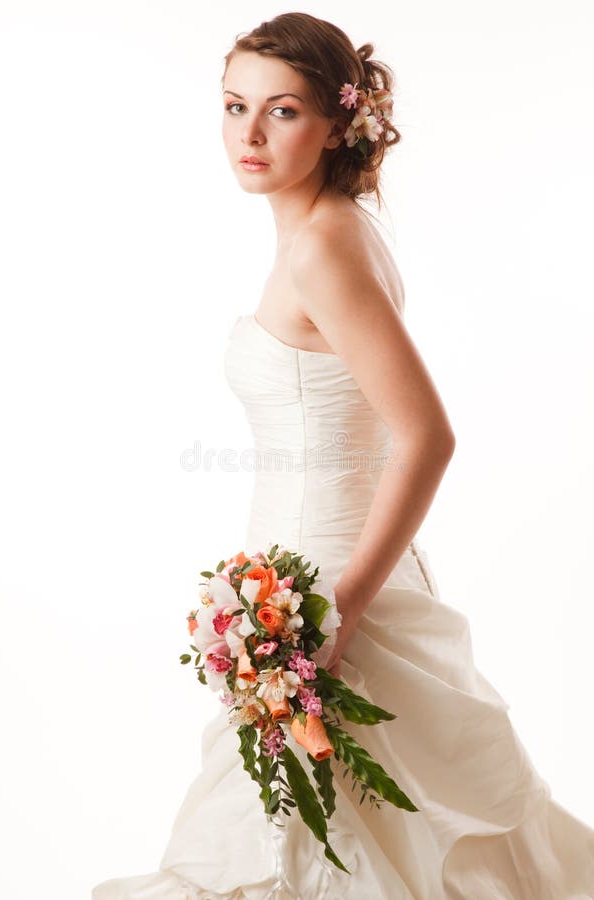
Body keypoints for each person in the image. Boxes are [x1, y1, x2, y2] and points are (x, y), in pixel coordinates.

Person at [92, 11, 594, 899]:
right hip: (305, 587)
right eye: (233, 105)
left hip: (325, 602)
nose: (248, 134)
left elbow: (428, 436)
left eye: (281, 112)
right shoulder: (332, 227)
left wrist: (339, 611)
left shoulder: (324, 246)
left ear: (337, 124)